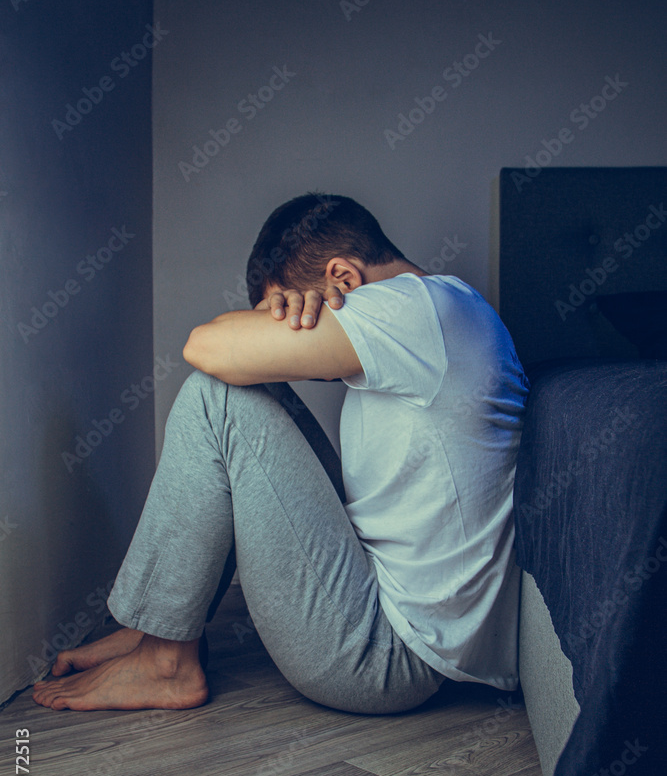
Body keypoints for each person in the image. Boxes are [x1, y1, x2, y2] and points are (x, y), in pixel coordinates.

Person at [32, 193, 529, 713]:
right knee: (258, 391)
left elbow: (205, 347)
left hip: (390, 659)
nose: (289, 327)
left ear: (344, 279)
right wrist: (273, 314)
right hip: (412, 631)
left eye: (292, 308)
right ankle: (156, 629)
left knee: (217, 396)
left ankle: (166, 662)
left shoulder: (415, 308)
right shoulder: (445, 311)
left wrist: (256, 330)